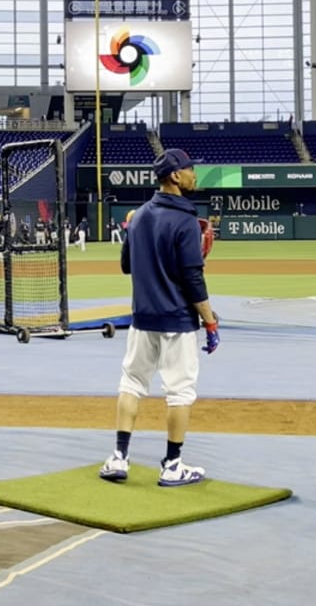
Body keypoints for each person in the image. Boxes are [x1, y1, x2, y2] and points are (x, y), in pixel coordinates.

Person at [99, 149, 219, 488]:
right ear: (175, 176)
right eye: (190, 170)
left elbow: (126, 266)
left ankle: (119, 458)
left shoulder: (137, 217)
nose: (195, 175)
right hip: (177, 321)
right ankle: (173, 465)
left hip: (142, 318)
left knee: (131, 384)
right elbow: (193, 280)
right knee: (180, 392)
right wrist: (209, 321)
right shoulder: (184, 221)